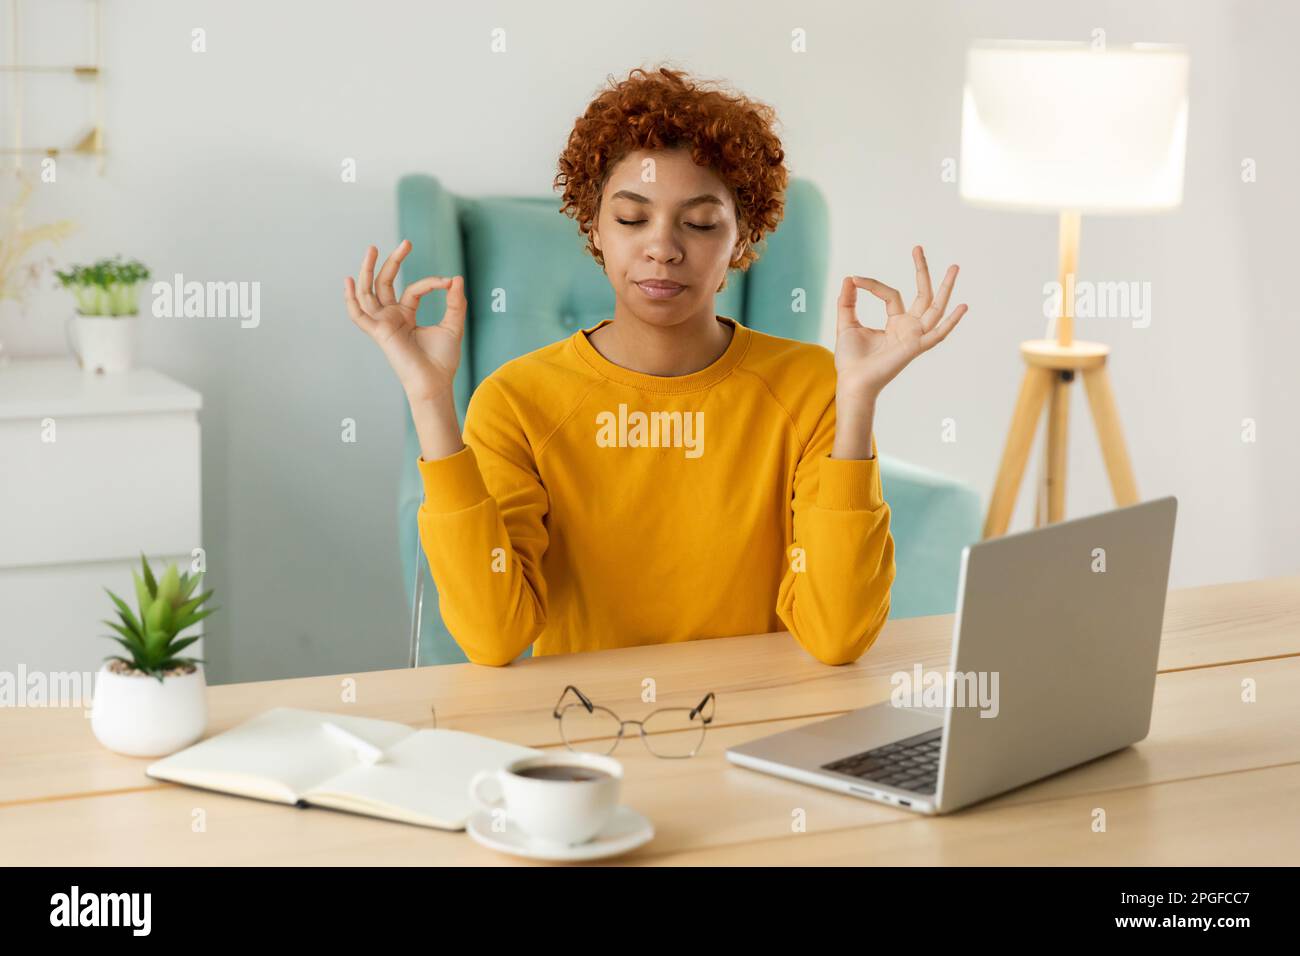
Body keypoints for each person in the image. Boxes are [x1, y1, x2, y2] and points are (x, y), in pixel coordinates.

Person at [343, 66, 967, 667]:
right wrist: (429, 399)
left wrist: (857, 402)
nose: (662, 248)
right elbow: (492, 637)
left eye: (699, 223)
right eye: (632, 218)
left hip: (760, 733)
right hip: (589, 739)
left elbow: (837, 637)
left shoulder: (810, 388)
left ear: (742, 242)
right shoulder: (516, 401)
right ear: (594, 228)